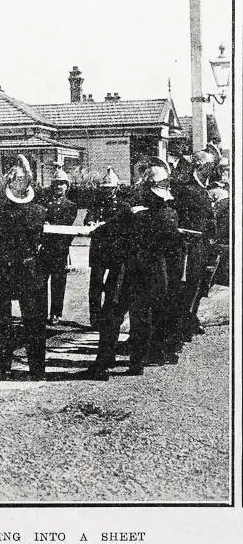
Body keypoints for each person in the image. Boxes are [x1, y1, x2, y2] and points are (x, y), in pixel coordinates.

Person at [86, 159, 181, 380]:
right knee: (142, 319)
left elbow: (103, 233)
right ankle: (136, 365)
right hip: (155, 275)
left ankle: (103, 364)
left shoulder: (134, 215)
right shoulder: (171, 216)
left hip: (127, 274)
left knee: (112, 318)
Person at [0, 156, 48, 380]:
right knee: (34, 321)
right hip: (30, 269)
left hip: (5, 269)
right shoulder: (39, 212)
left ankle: (2, 366)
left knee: (1, 320)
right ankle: (37, 369)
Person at [171, 148, 217, 341]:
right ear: (200, 166)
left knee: (195, 287)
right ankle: (178, 331)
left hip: (200, 248)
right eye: (209, 166)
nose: (212, 171)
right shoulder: (187, 190)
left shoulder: (200, 189)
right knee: (185, 288)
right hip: (188, 248)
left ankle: (186, 323)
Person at [85, 167, 130, 329]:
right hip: (98, 249)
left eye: (110, 189)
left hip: (115, 250)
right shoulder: (97, 203)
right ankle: (95, 319)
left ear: (116, 188)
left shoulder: (124, 206)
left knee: (113, 286)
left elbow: (123, 225)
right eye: (105, 189)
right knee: (95, 286)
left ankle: (109, 316)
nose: (108, 192)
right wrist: (90, 222)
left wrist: (106, 225)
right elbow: (88, 216)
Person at [40, 165, 78, 325]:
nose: (58, 187)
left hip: (60, 249)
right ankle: (40, 313)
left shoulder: (71, 206)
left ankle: (56, 313)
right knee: (41, 282)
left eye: (62, 183)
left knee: (58, 282)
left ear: (67, 186)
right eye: (56, 183)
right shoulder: (44, 204)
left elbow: (66, 226)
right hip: (45, 248)